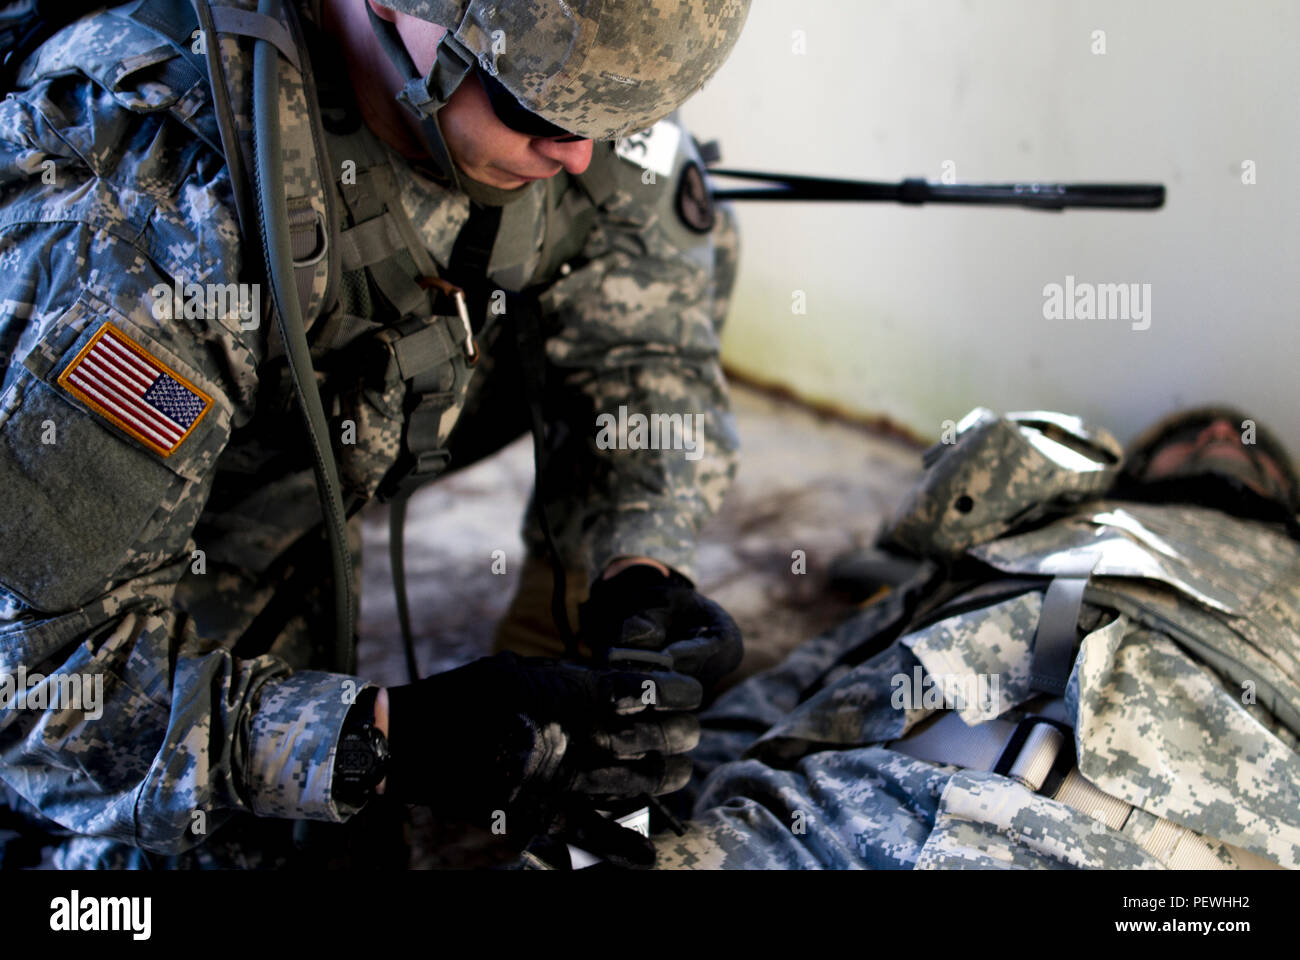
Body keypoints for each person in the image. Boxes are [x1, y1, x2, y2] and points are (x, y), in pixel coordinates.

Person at [0, 0, 750, 868]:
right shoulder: (150, 209)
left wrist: (636, 567)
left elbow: (642, 341)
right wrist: (386, 736)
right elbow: (35, 690)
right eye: (541, 111)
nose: (579, 152)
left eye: (615, 116)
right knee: (207, 843)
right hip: (144, 519)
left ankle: (563, 641)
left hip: (348, 416)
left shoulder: (575, 64)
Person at [654, 407, 1300, 869]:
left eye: (1249, 442)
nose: (1220, 431)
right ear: (1133, 471)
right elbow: (827, 667)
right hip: (861, 803)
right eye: (1189, 433)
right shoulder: (1039, 532)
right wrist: (666, 786)